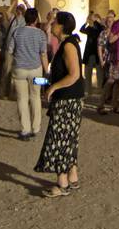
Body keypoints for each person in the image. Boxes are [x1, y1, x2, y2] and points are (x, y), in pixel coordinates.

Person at [36, 10, 85, 198]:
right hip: (68, 98)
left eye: (55, 22)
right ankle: (72, 178)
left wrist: (52, 88)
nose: (53, 24)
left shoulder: (68, 46)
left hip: (67, 100)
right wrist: (41, 83)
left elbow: (74, 75)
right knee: (69, 138)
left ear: (62, 26)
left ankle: (62, 183)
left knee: (59, 139)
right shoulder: (67, 44)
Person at [7, 6, 48, 140]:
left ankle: (25, 129)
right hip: (36, 70)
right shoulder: (41, 34)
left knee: (22, 99)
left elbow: (10, 50)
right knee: (36, 97)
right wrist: (46, 70)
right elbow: (43, 54)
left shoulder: (17, 32)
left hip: (19, 69)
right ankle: (36, 128)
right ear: (36, 19)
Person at [98, 8, 119, 115]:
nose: (110, 22)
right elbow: (106, 43)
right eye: (108, 20)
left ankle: (114, 105)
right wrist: (101, 60)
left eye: (112, 20)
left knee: (118, 82)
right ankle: (101, 104)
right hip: (113, 58)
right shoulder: (109, 32)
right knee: (110, 81)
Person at [81, 11, 105, 90]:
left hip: (98, 54)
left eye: (95, 18)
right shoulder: (90, 28)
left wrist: (95, 22)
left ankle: (99, 89)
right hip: (90, 54)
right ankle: (88, 90)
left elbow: (102, 28)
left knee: (99, 73)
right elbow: (81, 30)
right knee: (88, 73)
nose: (94, 21)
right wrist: (86, 22)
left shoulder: (100, 28)